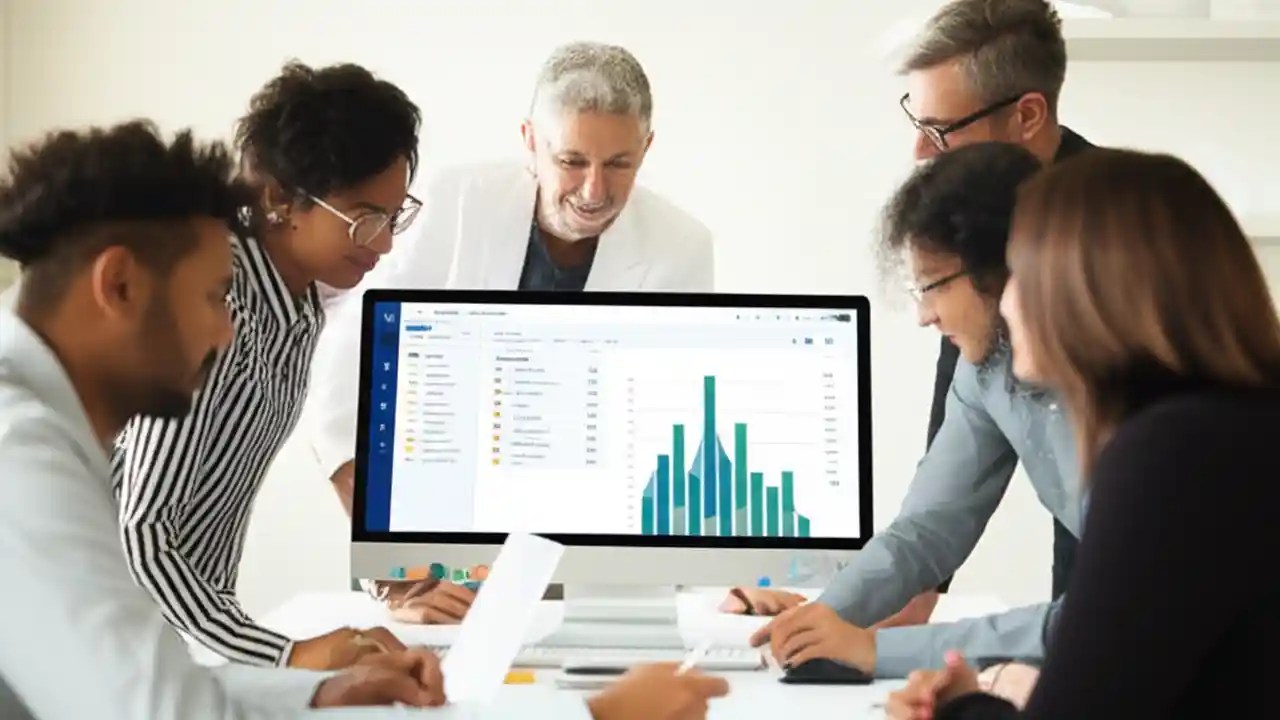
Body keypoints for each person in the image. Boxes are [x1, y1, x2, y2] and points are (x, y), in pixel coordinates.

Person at [0, 119, 731, 720]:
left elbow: (173, 692)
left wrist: (328, 689)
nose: (226, 334)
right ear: (119, 285)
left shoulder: (42, 431)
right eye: (215, 298)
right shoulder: (21, 459)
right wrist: (598, 717)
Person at [303, 40, 715, 613]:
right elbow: (346, 370)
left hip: (589, 554)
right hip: (431, 545)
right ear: (530, 142)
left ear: (646, 148)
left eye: (619, 163)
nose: (594, 191)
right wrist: (395, 565)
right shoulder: (456, 202)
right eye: (572, 160)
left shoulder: (682, 248)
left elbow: (670, 444)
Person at [723, 0, 1096, 630]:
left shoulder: (1123, 242)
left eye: (942, 129)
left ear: (1027, 115)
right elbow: (943, 496)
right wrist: (842, 614)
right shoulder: (968, 233)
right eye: (916, 122)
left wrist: (879, 640)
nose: (922, 151)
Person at [886, 148, 1280, 718]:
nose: (1008, 298)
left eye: (1020, 272)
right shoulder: (1234, 427)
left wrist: (959, 709)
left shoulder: (1169, 453)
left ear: (1086, 287)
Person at [106, 60, 472, 670]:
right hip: (103, 635)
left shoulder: (299, 301)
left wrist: (393, 584)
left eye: (393, 214)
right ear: (281, 198)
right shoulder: (214, 300)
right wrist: (286, 655)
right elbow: (141, 536)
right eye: (364, 217)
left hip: (174, 639)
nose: (383, 242)